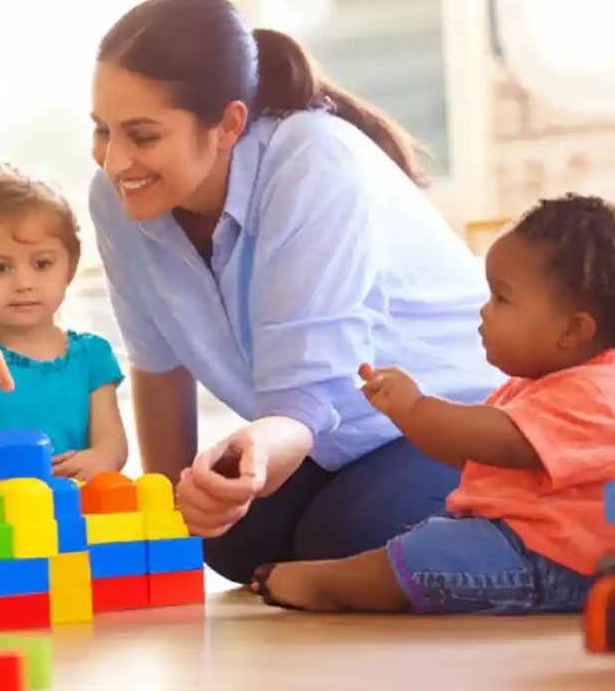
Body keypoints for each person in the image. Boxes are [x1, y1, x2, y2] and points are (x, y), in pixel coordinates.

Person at [87, 0, 504, 585]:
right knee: (226, 543)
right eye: (102, 130)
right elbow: (159, 366)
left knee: (343, 539)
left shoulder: (311, 162)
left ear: (228, 123)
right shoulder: (117, 199)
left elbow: (304, 398)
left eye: (143, 135)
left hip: (452, 418)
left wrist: (249, 464)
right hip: (329, 436)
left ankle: (539, 519)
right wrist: (170, 518)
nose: (116, 160)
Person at [253, 194, 615, 613]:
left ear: (572, 330)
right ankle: (346, 578)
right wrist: (408, 412)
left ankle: (333, 585)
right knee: (437, 538)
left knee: (431, 551)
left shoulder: (595, 393)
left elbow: (496, 440)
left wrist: (414, 407)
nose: (484, 311)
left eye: (502, 298)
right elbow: (467, 454)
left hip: (554, 564)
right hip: (515, 542)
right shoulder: (539, 385)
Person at [0, 161, 129, 520]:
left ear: (69, 267)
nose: (23, 282)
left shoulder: (91, 356)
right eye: (0, 267)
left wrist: (97, 461)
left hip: (65, 526)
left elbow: (112, 443)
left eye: (42, 264)